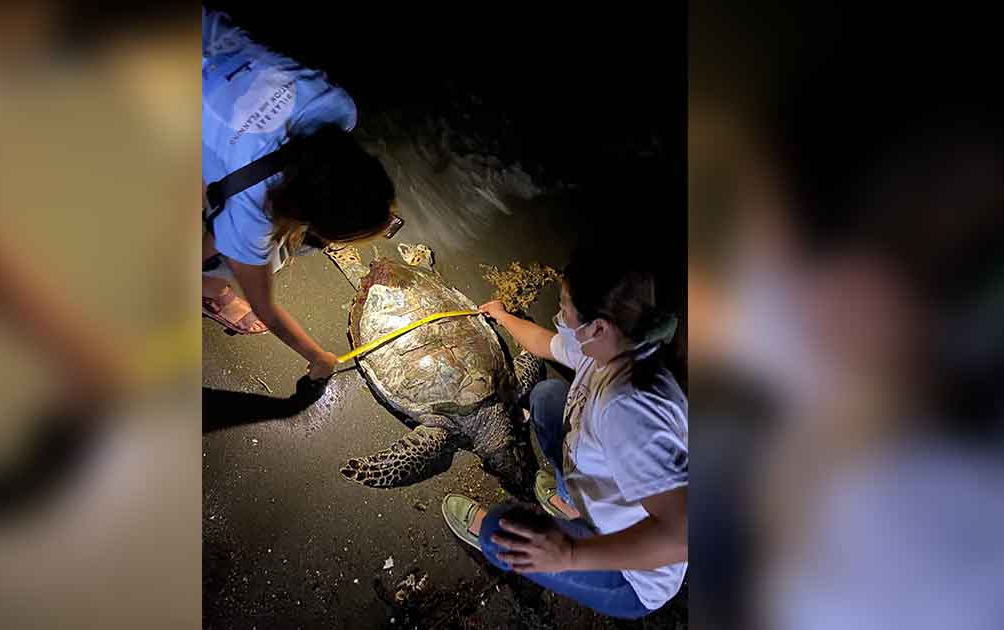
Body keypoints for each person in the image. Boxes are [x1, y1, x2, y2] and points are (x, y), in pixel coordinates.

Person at [440, 253, 689, 619]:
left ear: (599, 327)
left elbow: (681, 536)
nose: (559, 316)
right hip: (605, 490)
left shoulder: (633, 410)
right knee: (547, 397)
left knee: (500, 531)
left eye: (564, 307)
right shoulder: (615, 341)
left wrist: (570, 554)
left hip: (631, 572)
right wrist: (503, 316)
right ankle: (570, 502)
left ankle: (525, 535)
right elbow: (544, 342)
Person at [201, 8, 397, 381]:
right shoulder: (253, 210)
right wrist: (319, 356)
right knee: (262, 254)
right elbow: (266, 310)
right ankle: (208, 289)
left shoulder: (337, 107)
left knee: (223, 190)